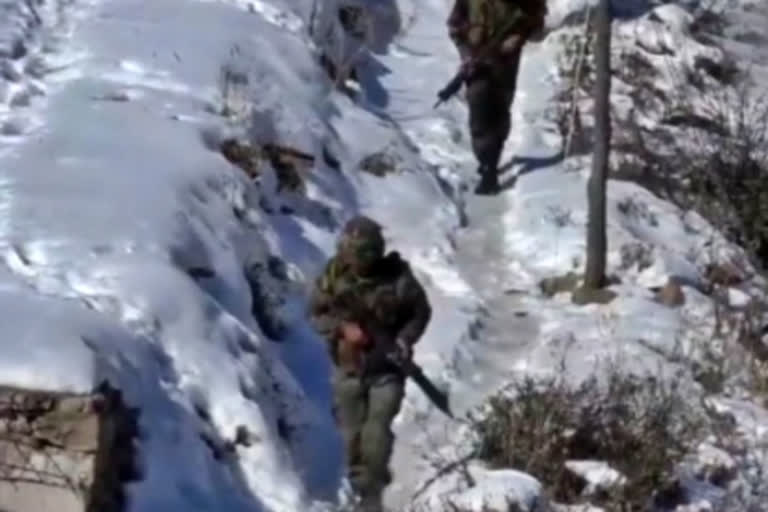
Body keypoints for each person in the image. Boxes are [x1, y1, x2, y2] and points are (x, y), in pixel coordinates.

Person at [309, 216, 431, 511]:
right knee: (350, 436)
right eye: (356, 252)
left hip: (387, 370)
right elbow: (316, 314)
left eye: (368, 252)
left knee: (375, 432)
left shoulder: (397, 278)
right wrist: (342, 328)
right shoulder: (334, 276)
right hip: (348, 369)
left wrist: (404, 339)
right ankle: (359, 487)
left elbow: (420, 312)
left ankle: (372, 496)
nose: (362, 259)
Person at [447, 0, 548, 195]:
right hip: (477, 64)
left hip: (506, 66)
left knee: (500, 115)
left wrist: (519, 37)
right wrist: (466, 54)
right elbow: (454, 26)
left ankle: (491, 158)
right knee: (479, 111)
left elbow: (537, 23)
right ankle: (488, 168)